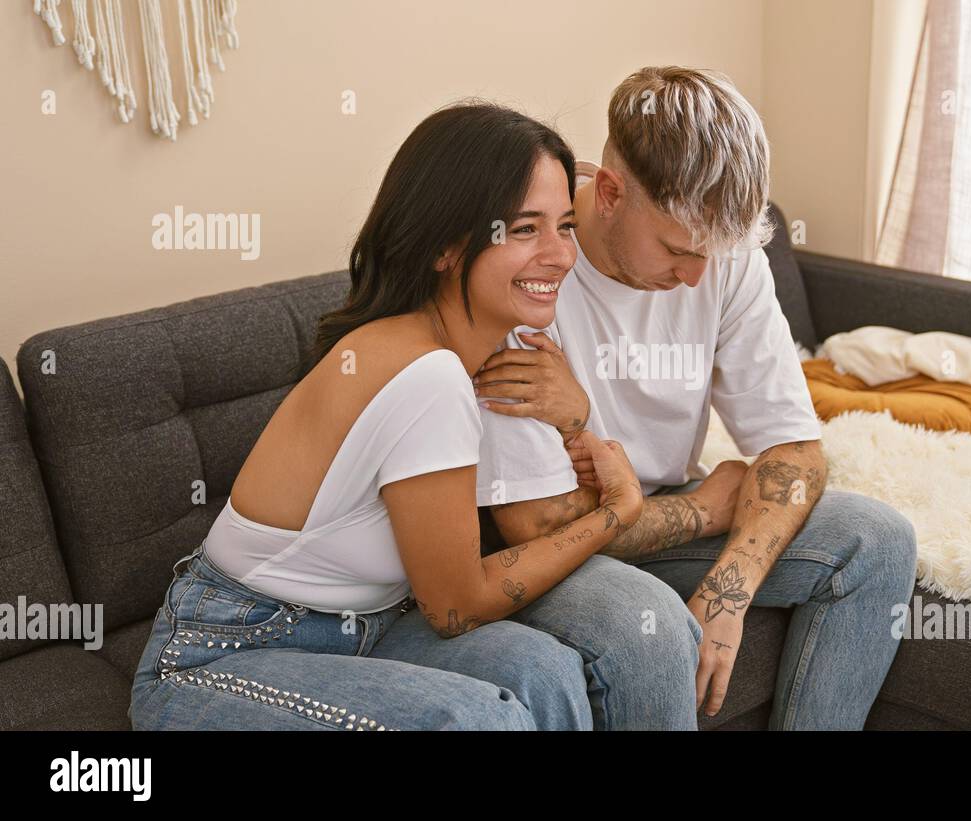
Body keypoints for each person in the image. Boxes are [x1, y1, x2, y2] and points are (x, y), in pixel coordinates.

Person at [129, 102, 703, 731]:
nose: (560, 255)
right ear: (446, 249)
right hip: (222, 657)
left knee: (544, 669)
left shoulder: (468, 355)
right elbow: (456, 607)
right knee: (476, 721)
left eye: (565, 225)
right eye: (522, 229)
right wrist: (618, 513)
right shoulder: (426, 373)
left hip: (361, 626)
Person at [473, 67, 920, 730]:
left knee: (880, 540)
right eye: (679, 250)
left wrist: (728, 590)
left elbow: (794, 449)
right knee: (643, 631)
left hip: (636, 512)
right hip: (549, 550)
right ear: (612, 193)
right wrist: (708, 509)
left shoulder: (721, 256)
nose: (697, 278)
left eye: (717, 253)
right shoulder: (531, 264)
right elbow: (537, 525)